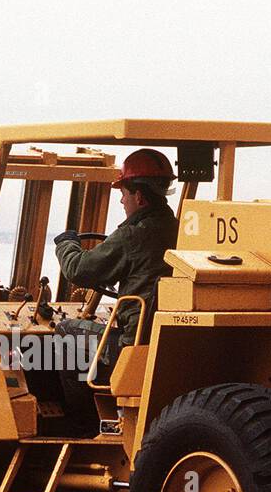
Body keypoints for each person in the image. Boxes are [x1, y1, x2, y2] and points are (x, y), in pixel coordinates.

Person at [52, 148, 178, 373]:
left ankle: (81, 408)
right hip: (167, 341)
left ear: (138, 196)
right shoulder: (179, 230)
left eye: (124, 193)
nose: (122, 200)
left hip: (132, 344)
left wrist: (65, 243)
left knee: (65, 330)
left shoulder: (133, 235)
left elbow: (78, 270)